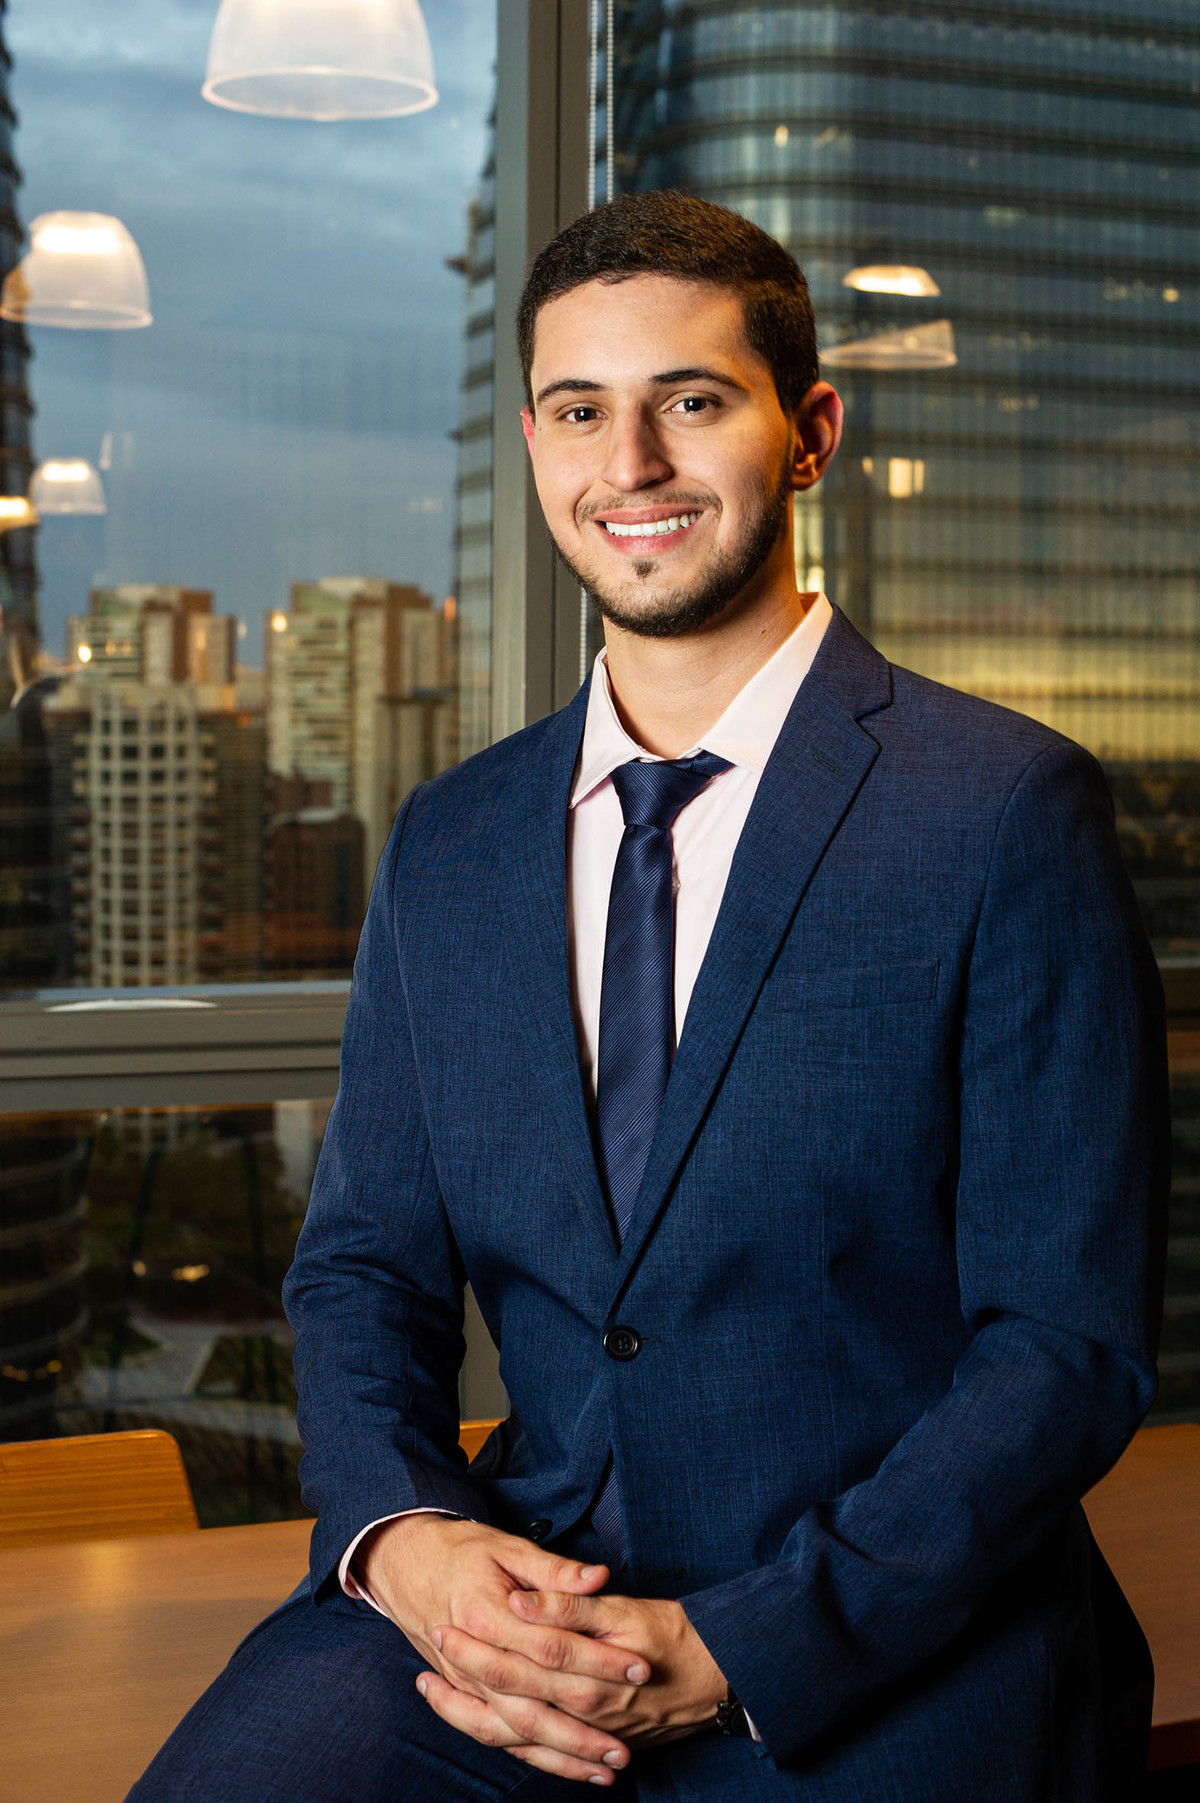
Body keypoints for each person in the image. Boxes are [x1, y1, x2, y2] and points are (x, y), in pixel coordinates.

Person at [129, 192, 1168, 1803]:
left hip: (873, 1645)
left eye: (691, 400)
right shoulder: (456, 838)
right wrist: (407, 1545)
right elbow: (361, 1272)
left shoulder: (1005, 811)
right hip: (510, 1604)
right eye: (578, 411)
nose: (633, 464)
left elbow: (1062, 1344)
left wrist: (745, 1645)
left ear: (808, 431)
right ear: (536, 447)